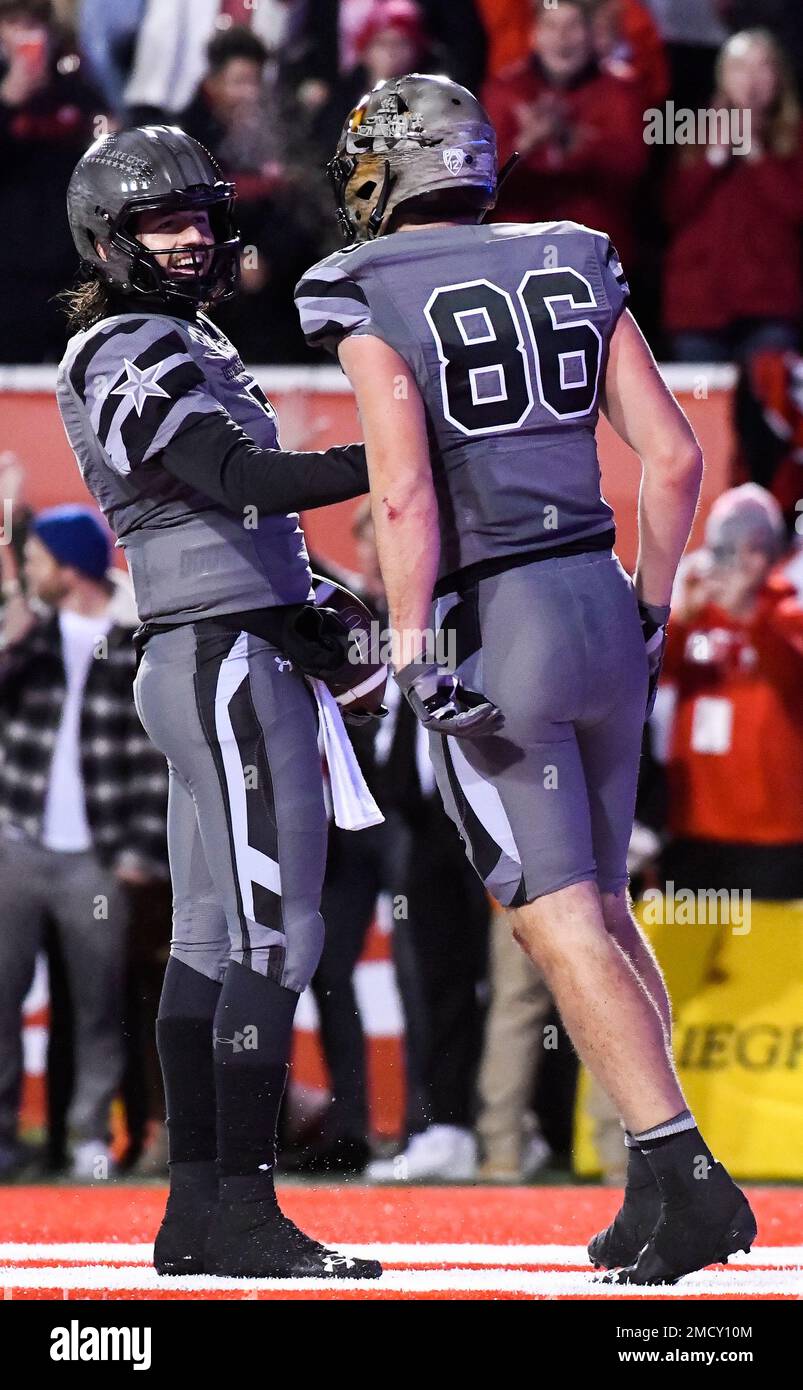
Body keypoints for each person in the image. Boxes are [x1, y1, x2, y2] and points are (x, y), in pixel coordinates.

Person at [295, 73, 756, 1284]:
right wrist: (649, 603)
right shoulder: (570, 248)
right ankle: (659, 1181)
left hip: (497, 623)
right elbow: (669, 459)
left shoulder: (365, 283)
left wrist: (405, 645)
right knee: (599, 908)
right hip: (601, 594)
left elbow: (397, 491)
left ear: (383, 171)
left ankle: (685, 1173)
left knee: (555, 920)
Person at [56, 124, 380, 1280]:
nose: (191, 236)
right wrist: (394, 452)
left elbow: (228, 522)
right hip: (219, 662)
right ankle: (240, 1208)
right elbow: (236, 480)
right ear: (112, 236)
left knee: (209, 938)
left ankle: (197, 1213)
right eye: (162, 220)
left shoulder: (169, 335)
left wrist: (312, 597)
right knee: (275, 935)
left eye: (199, 213)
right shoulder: (124, 342)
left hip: (219, 647)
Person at [0, 504, 169, 1179]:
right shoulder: (29, 638)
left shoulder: (135, 643)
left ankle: (90, 1138)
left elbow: (153, 758)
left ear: (69, 569)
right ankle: (5, 1139)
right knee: (1, 999)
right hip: (15, 846)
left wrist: (137, 853)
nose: (31, 572)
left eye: (39, 561)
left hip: (97, 861)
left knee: (100, 1007)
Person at [663, 28, 803, 364]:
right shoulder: (691, 133)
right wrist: (714, 155)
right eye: (741, 68)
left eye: (763, 67)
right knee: (698, 410)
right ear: (722, 76)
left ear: (779, 77)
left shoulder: (794, 138)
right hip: (699, 309)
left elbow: (796, 209)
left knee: (767, 409)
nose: (752, 80)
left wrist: (756, 155)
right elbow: (670, 210)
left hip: (770, 305)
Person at [482, 0, 648, 265]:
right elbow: (479, 179)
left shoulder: (622, 91)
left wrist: (573, 143)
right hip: (515, 250)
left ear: (592, 32)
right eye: (551, 25)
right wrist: (526, 144)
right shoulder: (504, 88)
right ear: (533, 33)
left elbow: (631, 174)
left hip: (593, 251)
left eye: (573, 26)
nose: (562, 38)